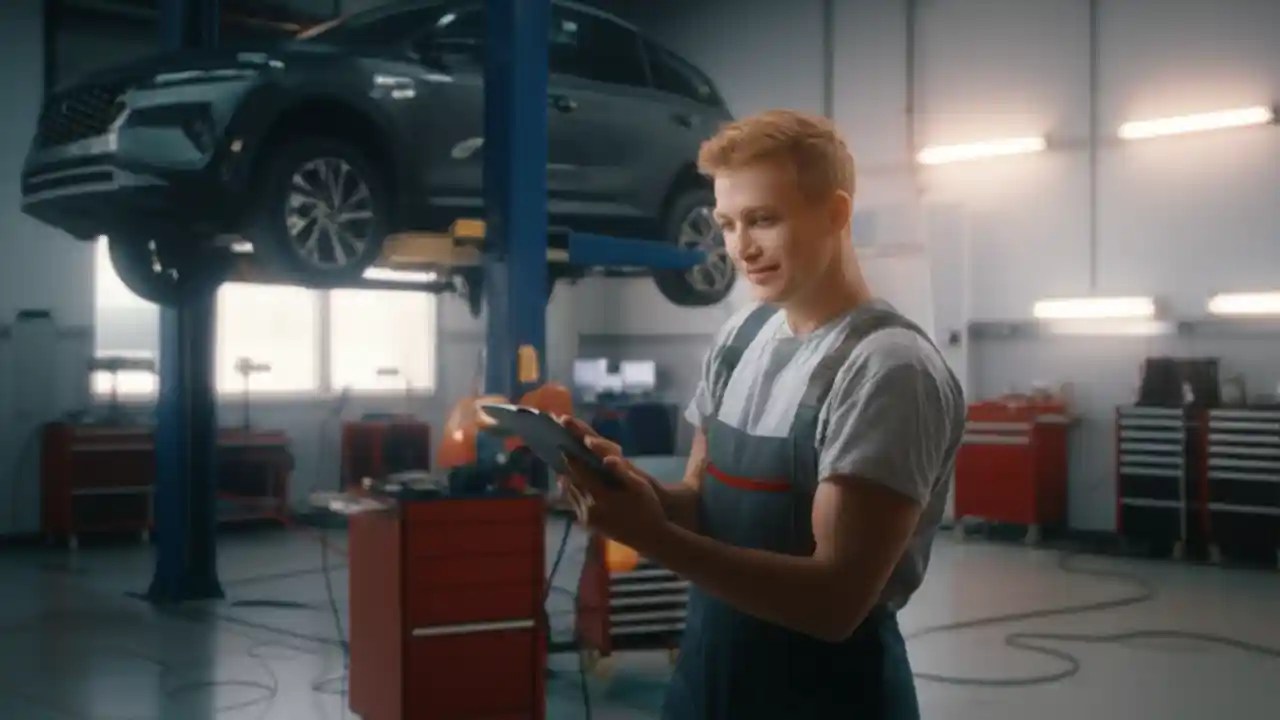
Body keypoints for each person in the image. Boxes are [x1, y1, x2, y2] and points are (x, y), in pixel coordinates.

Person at [558, 109, 965, 719]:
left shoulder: (887, 369)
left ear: (836, 214)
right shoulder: (740, 338)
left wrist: (651, 537)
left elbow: (835, 602)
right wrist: (630, 491)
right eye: (726, 223)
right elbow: (699, 503)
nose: (740, 247)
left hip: (827, 701)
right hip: (706, 686)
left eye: (763, 220)